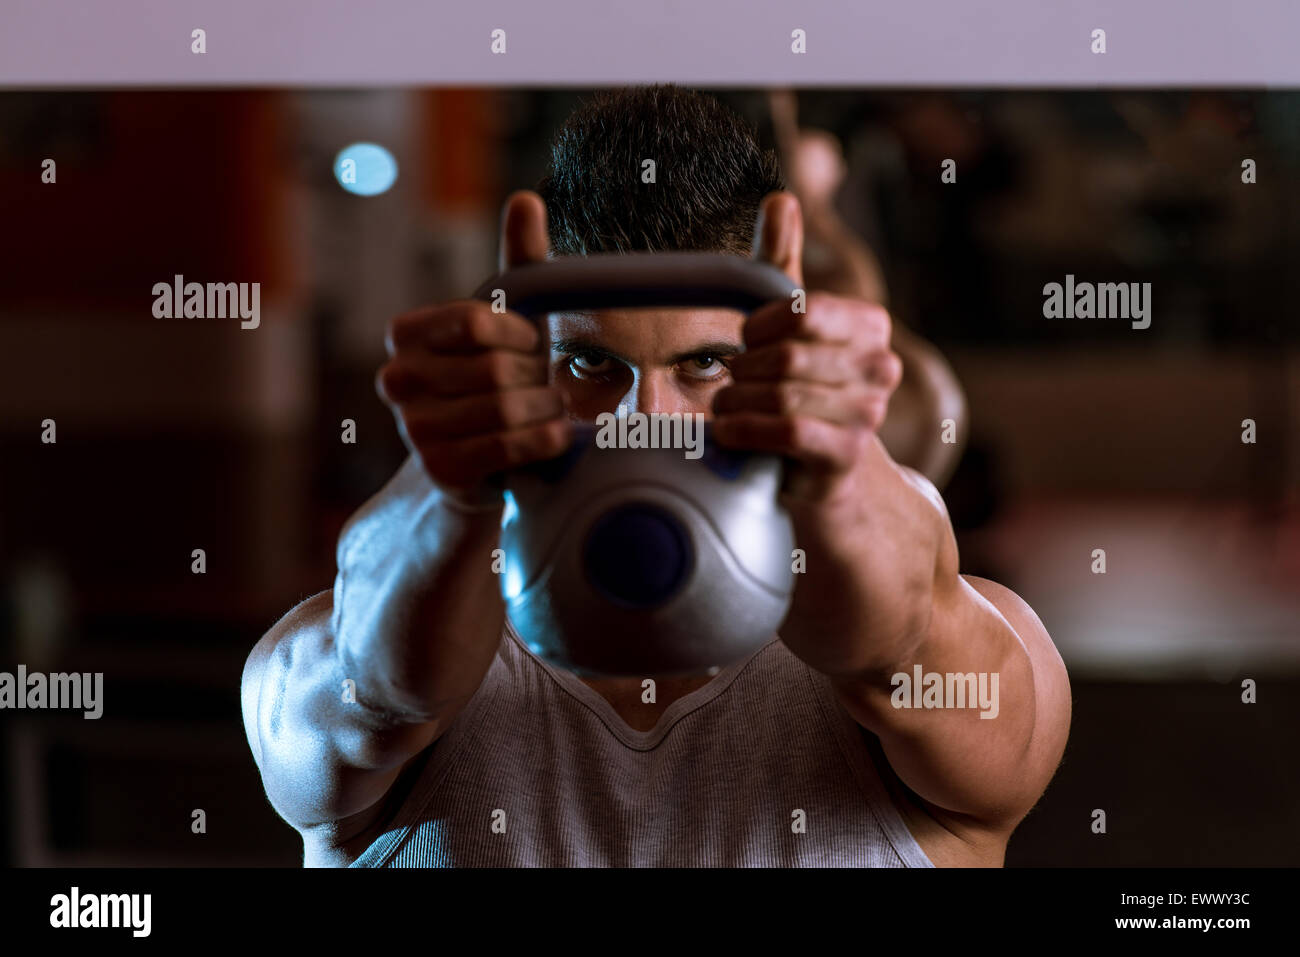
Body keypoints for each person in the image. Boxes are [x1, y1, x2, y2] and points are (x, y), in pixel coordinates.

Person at [240, 85, 1070, 867]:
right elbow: (371, 692)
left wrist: (840, 477)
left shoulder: (967, 653)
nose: (647, 418)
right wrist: (453, 489)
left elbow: (907, 638)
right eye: (591, 362)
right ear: (531, 361)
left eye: (707, 361)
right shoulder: (362, 639)